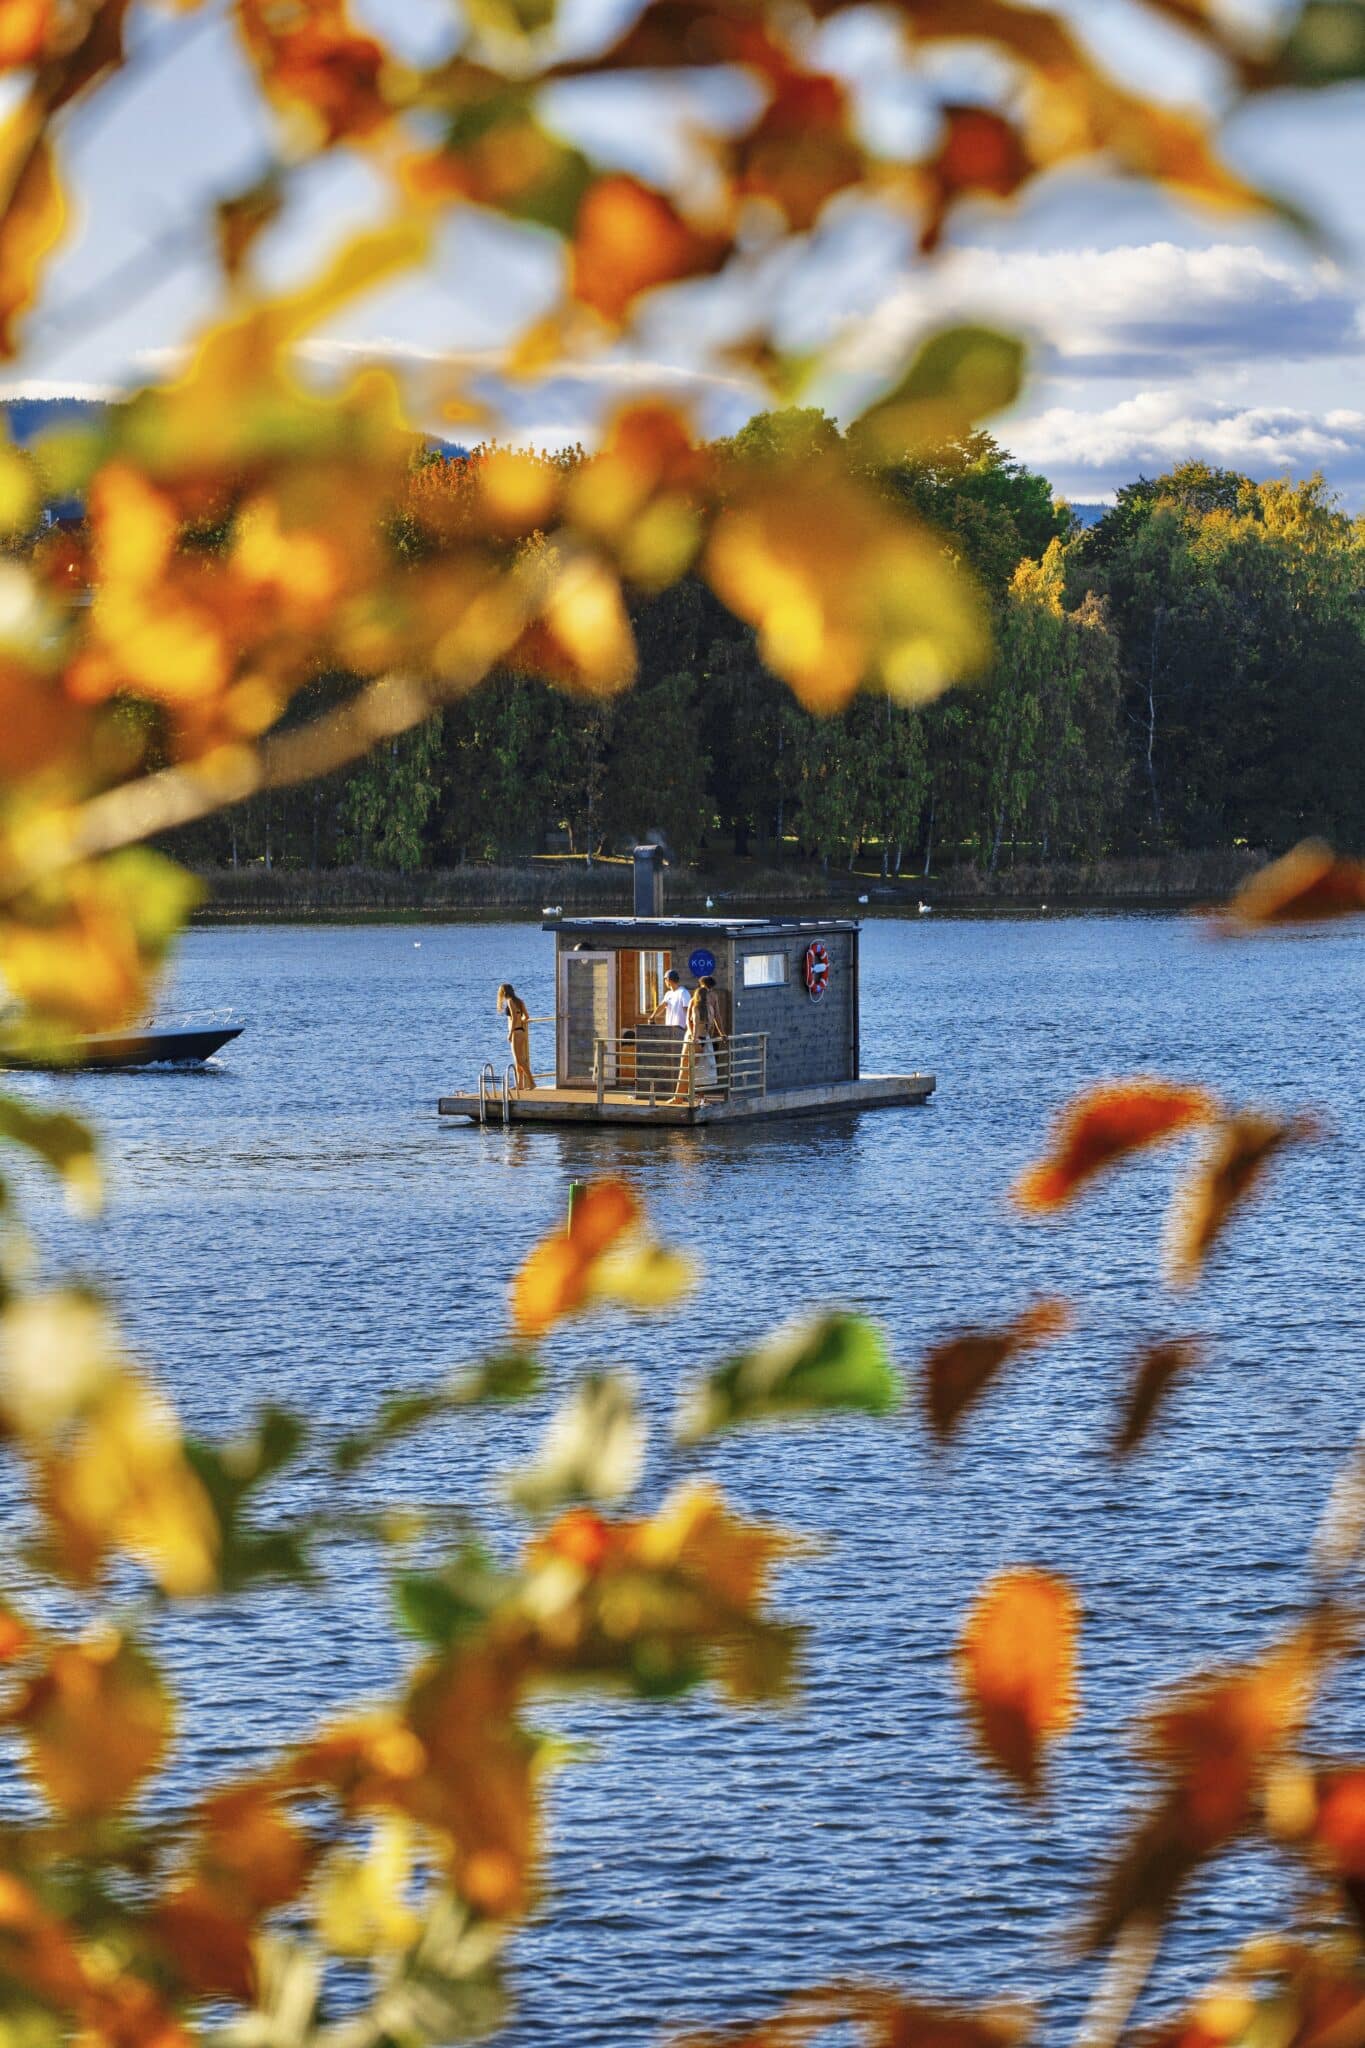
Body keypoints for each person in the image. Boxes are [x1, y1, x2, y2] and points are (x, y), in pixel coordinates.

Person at [668, 974, 725, 1103]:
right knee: (700, 1069)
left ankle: (680, 1097)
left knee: (688, 1067)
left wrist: (694, 1037)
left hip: (696, 1037)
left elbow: (689, 1020)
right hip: (704, 1037)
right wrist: (721, 1033)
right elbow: (717, 1017)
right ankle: (695, 1096)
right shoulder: (712, 998)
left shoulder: (696, 999)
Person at [496, 983, 536, 1090]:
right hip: (521, 1031)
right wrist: (521, 1020)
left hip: (515, 1032)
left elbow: (513, 1018)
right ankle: (520, 1085)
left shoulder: (510, 1001)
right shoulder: (520, 1001)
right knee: (518, 1060)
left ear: (504, 993)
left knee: (519, 1060)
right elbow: (526, 1016)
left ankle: (532, 1082)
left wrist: (510, 1033)